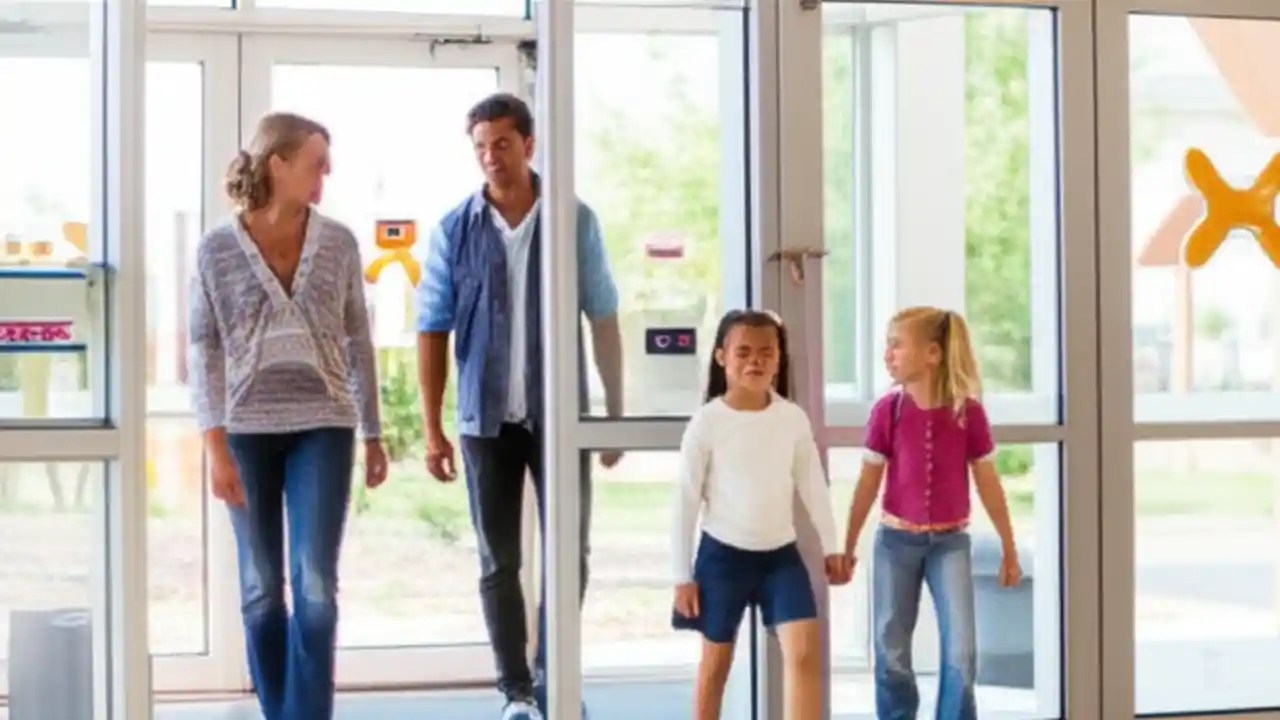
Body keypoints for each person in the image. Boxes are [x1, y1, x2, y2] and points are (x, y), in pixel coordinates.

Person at [415, 92, 624, 720]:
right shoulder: (454, 229)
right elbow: (432, 329)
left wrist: (613, 415)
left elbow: (603, 317)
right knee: (498, 560)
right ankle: (516, 692)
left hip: (560, 421)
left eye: (501, 144)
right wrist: (432, 429)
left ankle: (555, 675)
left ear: (529, 145)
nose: (490, 157)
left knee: (569, 554)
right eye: (480, 146)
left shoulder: (572, 220)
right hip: (484, 422)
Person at [188, 112, 388, 720]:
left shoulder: (339, 243)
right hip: (244, 433)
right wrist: (215, 448)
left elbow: (358, 339)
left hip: (324, 425)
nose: (325, 176)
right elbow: (203, 349)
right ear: (277, 164)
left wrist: (374, 432)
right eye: (315, 165)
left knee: (316, 589)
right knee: (260, 592)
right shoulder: (216, 250)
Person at [842, 306, 1021, 720]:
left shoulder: (968, 414)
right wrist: (848, 546)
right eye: (887, 345)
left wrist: (1009, 548)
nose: (887, 354)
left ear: (933, 354)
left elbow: (989, 484)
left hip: (950, 544)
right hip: (895, 543)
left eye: (897, 345)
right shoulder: (887, 412)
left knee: (961, 651)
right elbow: (867, 483)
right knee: (890, 650)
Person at [671, 309, 851, 720]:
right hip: (722, 559)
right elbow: (685, 500)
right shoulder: (706, 423)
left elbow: (813, 486)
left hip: (779, 558)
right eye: (744, 352)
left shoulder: (791, 418)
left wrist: (833, 547)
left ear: (778, 359)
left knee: (804, 653)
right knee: (716, 666)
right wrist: (682, 576)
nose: (755, 361)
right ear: (722, 357)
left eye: (766, 352)